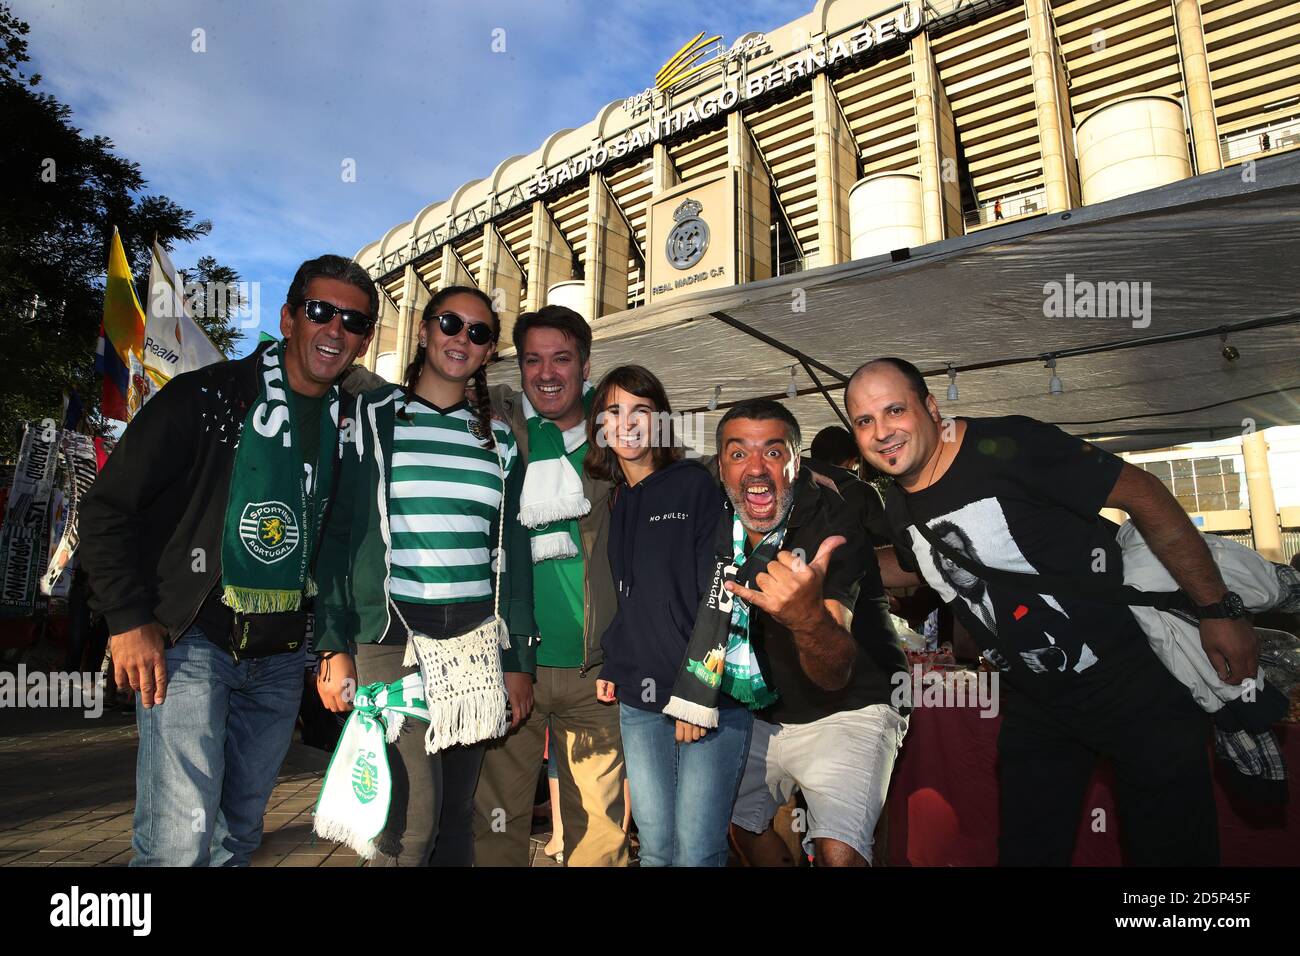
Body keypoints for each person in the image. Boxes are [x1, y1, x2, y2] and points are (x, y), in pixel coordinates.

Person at [846, 357, 1259, 866]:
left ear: (930, 407)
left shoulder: (1010, 445)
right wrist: (827, 566)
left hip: (1131, 680)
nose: (882, 431)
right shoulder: (899, 504)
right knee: (1028, 850)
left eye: (894, 409)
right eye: (865, 421)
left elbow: (1144, 493)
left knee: (1171, 854)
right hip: (1036, 699)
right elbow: (914, 566)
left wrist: (1217, 608)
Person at [78, 254, 377, 866]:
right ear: (289, 318)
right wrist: (127, 619)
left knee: (237, 836)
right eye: (320, 312)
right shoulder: (208, 397)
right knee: (177, 844)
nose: (335, 330)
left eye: (353, 321)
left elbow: (340, 543)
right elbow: (108, 507)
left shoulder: (352, 425)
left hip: (280, 655)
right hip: (188, 644)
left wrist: (330, 639)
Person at [313, 286, 534, 866]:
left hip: (474, 648)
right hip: (392, 642)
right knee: (409, 826)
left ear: (489, 352)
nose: (462, 338)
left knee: (457, 818)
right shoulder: (369, 420)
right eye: (450, 323)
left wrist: (519, 662)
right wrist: (333, 644)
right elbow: (336, 538)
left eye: (479, 332)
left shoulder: (502, 440)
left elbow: (513, 558)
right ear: (423, 329)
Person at [720, 400, 909, 867]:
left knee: (839, 852)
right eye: (739, 454)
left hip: (851, 704)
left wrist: (805, 618)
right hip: (764, 713)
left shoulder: (835, 513)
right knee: (738, 826)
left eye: (774, 452)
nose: (756, 469)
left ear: (796, 461)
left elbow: (833, 672)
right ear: (720, 465)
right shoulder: (714, 518)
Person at [473, 305, 629, 867]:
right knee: (496, 824)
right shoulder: (500, 433)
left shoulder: (621, 434)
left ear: (586, 365)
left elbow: (690, 473)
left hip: (599, 671)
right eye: (533, 359)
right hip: (513, 663)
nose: (547, 373)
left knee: (599, 834)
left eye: (562, 358)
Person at [586, 365, 745, 867]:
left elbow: (723, 590)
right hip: (640, 698)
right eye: (614, 411)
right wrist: (616, 662)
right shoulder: (619, 499)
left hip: (705, 698)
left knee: (697, 853)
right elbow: (635, 596)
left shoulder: (696, 485)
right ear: (600, 426)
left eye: (641, 411)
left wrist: (698, 694)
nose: (627, 423)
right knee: (655, 850)